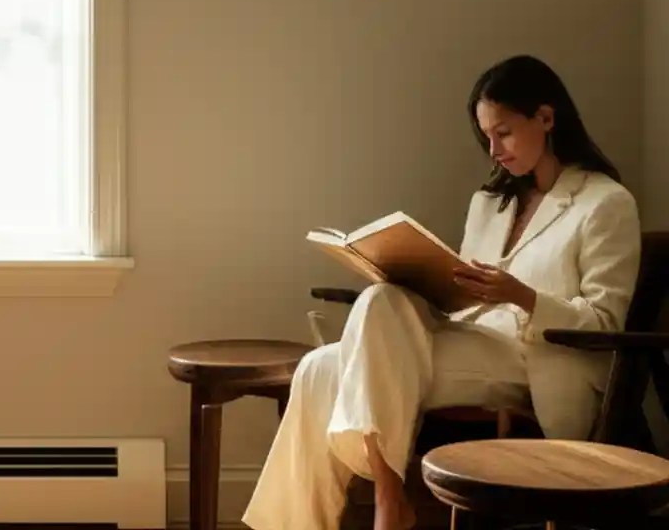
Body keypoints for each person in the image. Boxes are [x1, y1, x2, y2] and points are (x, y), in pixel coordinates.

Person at [242, 55, 643, 530]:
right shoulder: (489, 204)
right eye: (486, 137)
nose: (493, 149)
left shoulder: (605, 204)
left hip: (536, 361)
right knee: (336, 348)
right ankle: (387, 500)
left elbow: (604, 325)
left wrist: (522, 296)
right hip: (464, 341)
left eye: (504, 132)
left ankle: (389, 507)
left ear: (546, 118)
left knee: (335, 363)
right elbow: (464, 300)